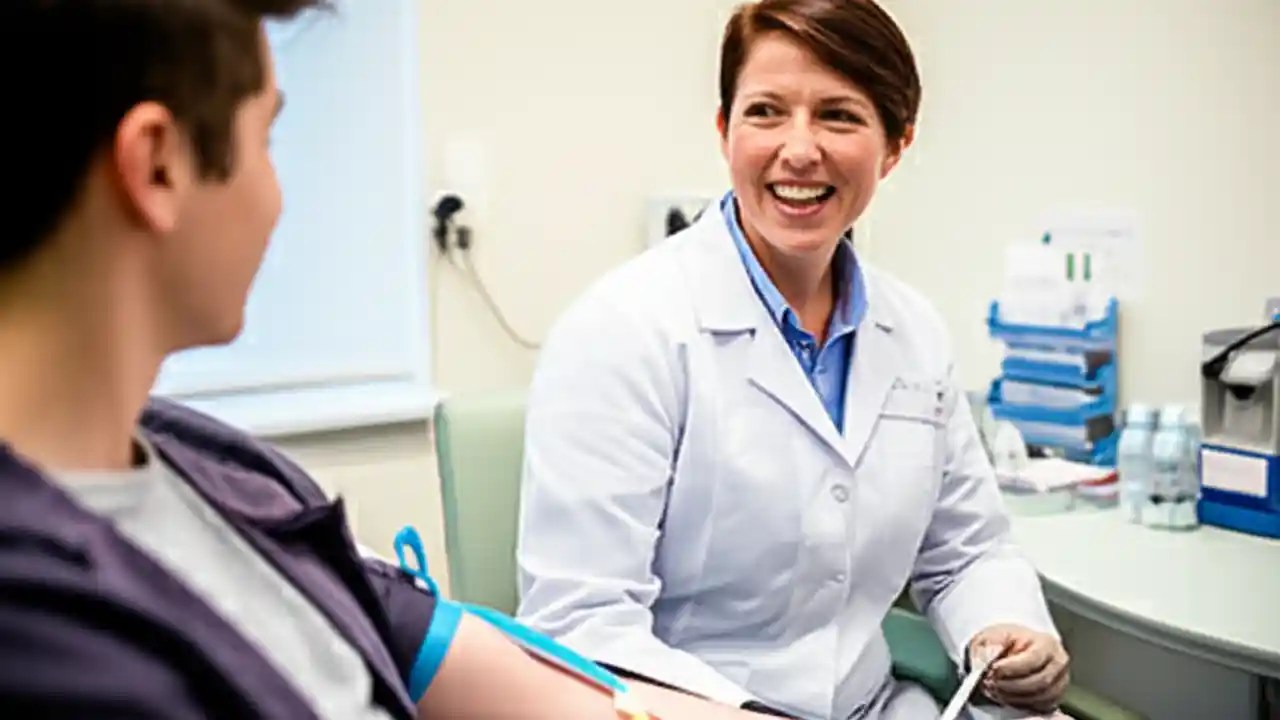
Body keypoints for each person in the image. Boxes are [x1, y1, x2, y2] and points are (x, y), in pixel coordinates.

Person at [0, 2, 769, 718]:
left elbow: (476, 663)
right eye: (267, 140)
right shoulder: (49, 639)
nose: (276, 195)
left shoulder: (219, 473)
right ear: (158, 165)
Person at [515, 1, 1071, 718]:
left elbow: (966, 550)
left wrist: (1005, 631)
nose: (799, 149)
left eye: (839, 116)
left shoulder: (915, 331)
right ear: (725, 131)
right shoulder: (623, 329)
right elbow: (581, 624)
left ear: (895, 145)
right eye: (766, 112)